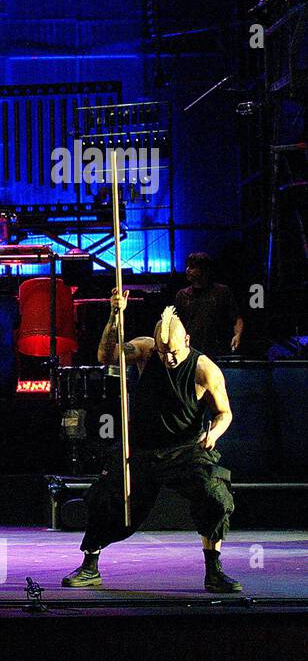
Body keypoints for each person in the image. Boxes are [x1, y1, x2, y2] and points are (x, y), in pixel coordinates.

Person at [62, 294, 241, 592]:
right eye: (162, 352)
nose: (167, 358)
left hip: (185, 450)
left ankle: (214, 571)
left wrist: (214, 433)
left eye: (172, 351)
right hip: (141, 448)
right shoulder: (146, 351)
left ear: (187, 339)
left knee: (216, 496)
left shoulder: (205, 370)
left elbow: (225, 413)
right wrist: (115, 315)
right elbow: (106, 356)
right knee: (106, 498)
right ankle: (90, 566)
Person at [174, 251, 242, 356]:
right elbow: (176, 324)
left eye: (192, 267)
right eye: (187, 266)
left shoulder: (222, 292)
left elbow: (236, 318)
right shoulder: (182, 295)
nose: (187, 270)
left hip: (217, 351)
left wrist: (237, 335)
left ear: (204, 270)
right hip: (190, 352)